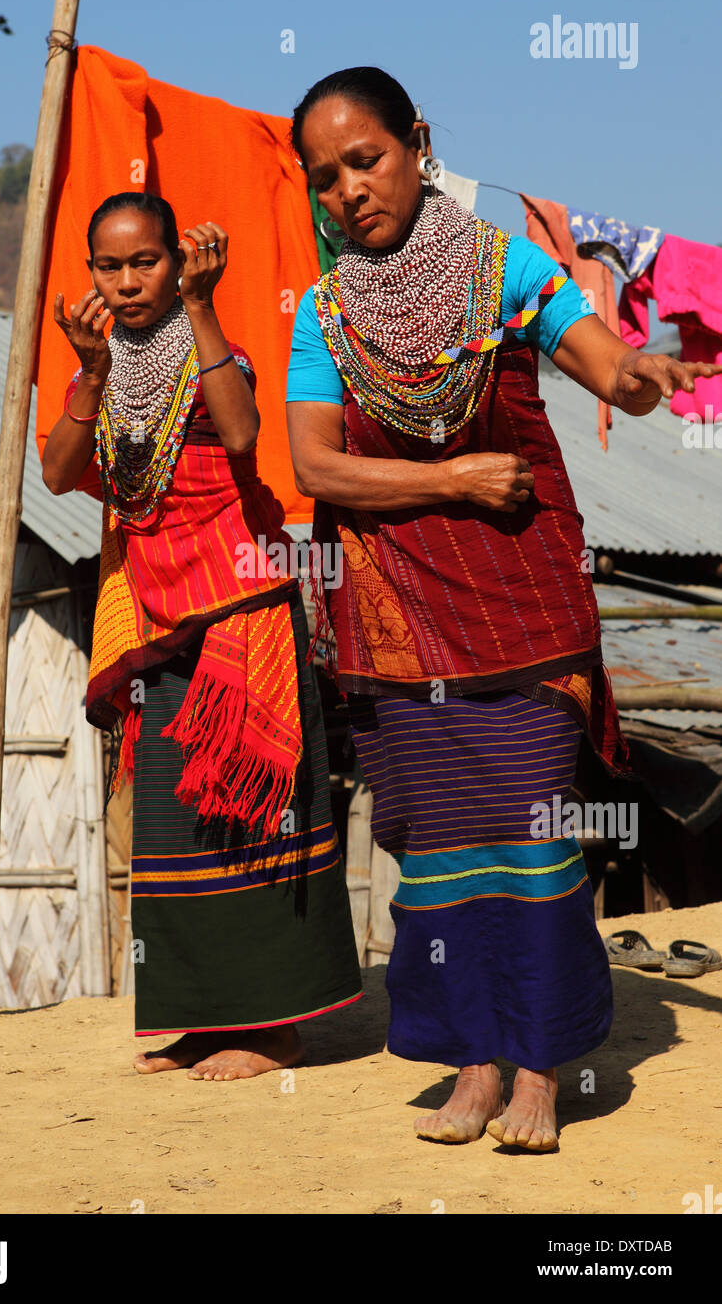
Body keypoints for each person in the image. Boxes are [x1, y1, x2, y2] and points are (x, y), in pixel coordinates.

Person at [285, 67, 721, 1148]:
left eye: (365, 160)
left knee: (530, 836)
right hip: (396, 624)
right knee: (434, 848)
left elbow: (602, 363)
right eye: (324, 175)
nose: (347, 190)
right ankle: (469, 1063)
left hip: (522, 605)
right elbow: (315, 467)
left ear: (416, 143)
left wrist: (644, 375)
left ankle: (535, 1068)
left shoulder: (506, 270)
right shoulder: (322, 312)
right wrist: (456, 479)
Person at [43, 191, 361, 1080]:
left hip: (239, 604)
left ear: (176, 262)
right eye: (110, 265)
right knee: (173, 822)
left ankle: (273, 1028)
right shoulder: (98, 371)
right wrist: (94, 371)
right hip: (153, 615)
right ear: (93, 273)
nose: (128, 278)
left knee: (252, 808)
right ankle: (195, 1017)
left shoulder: (216, 346)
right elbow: (60, 473)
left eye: (146, 260)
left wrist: (203, 307)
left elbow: (245, 431)